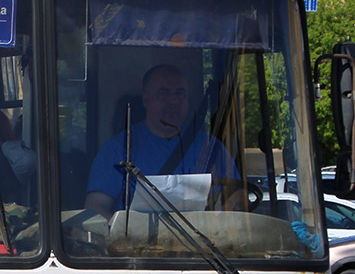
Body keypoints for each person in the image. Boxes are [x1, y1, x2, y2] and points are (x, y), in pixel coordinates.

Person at [85, 63, 240, 218]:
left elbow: (239, 196)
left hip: (205, 239)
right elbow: (96, 207)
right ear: (146, 99)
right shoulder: (119, 150)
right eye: (164, 93)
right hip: (135, 241)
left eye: (180, 94)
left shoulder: (211, 149)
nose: (173, 101)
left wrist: (226, 213)